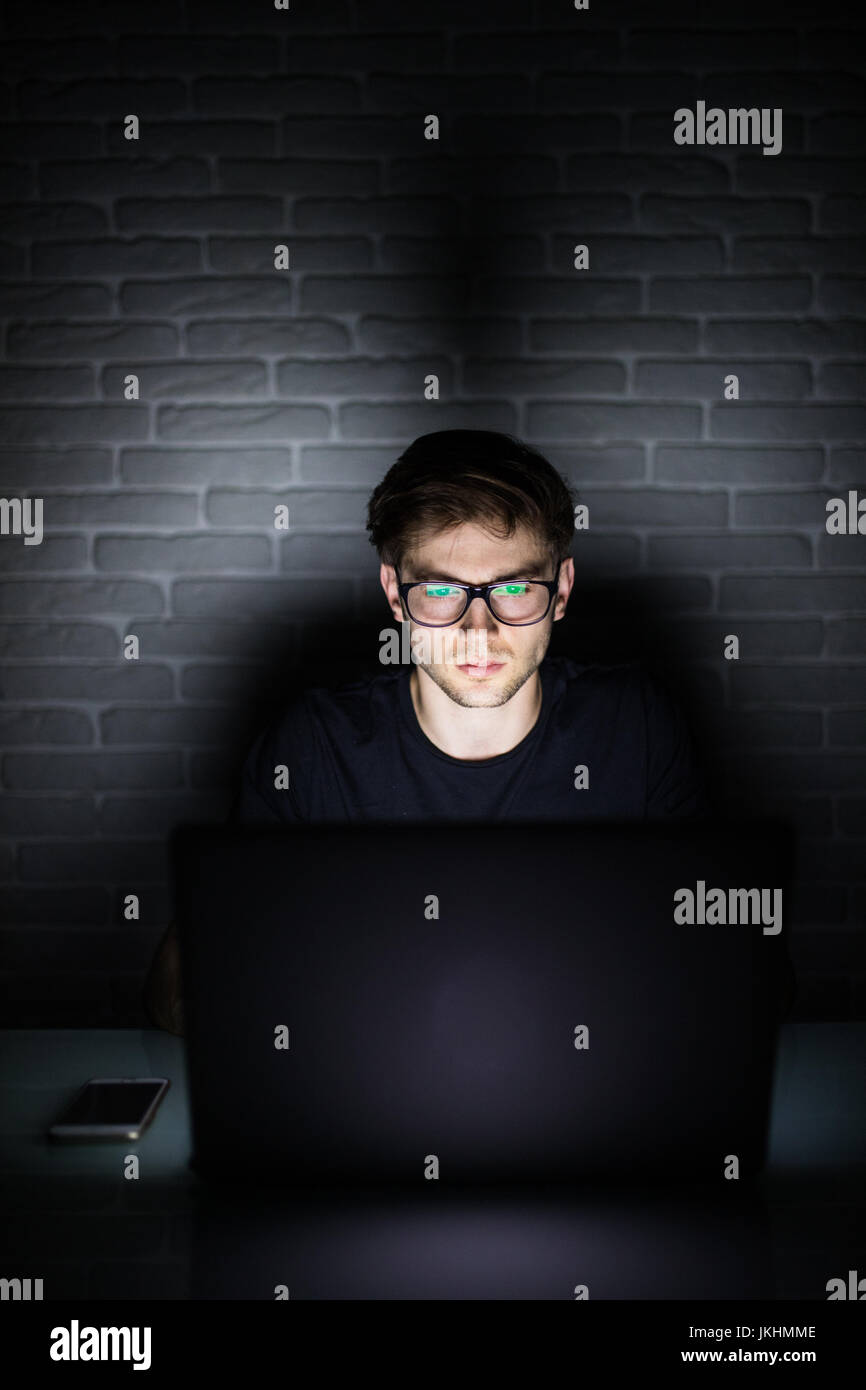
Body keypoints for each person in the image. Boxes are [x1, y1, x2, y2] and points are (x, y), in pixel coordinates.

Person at [143, 429, 719, 1036]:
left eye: (515, 589)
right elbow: (182, 981)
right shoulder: (312, 746)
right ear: (395, 593)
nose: (479, 630)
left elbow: (730, 953)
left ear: (563, 591)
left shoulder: (637, 727)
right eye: (442, 591)